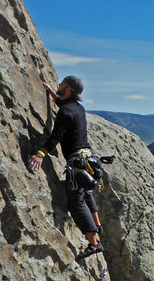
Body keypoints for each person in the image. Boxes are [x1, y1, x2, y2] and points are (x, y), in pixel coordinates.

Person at [28, 75, 104, 259]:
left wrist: (41, 154)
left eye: (61, 84)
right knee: (86, 193)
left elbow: (56, 137)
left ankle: (94, 244)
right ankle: (98, 226)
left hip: (76, 162)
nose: (59, 85)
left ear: (68, 89)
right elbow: (65, 109)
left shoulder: (66, 112)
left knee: (75, 202)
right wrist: (52, 94)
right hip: (89, 160)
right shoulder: (78, 108)